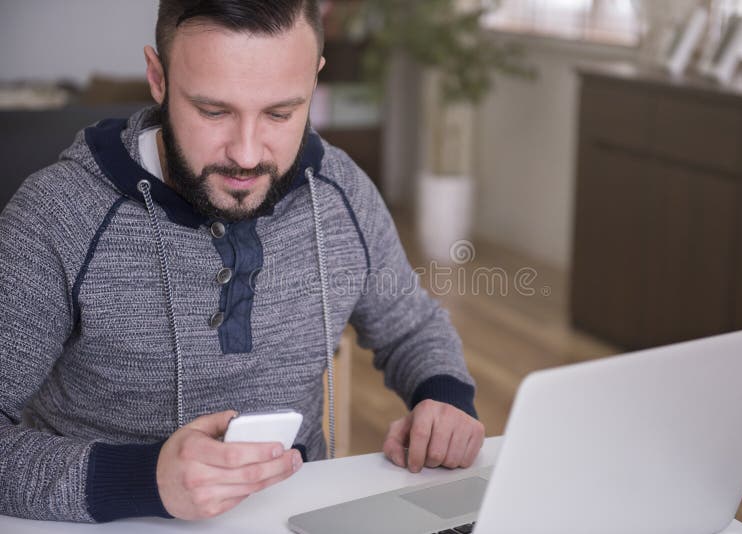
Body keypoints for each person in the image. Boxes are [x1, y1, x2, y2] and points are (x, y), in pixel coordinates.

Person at [0, 0, 484, 524]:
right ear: (158, 78)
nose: (248, 155)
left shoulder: (340, 190)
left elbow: (411, 328)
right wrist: (143, 480)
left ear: (314, 78)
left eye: (280, 112)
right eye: (214, 111)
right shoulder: (57, 217)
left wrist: (445, 399)